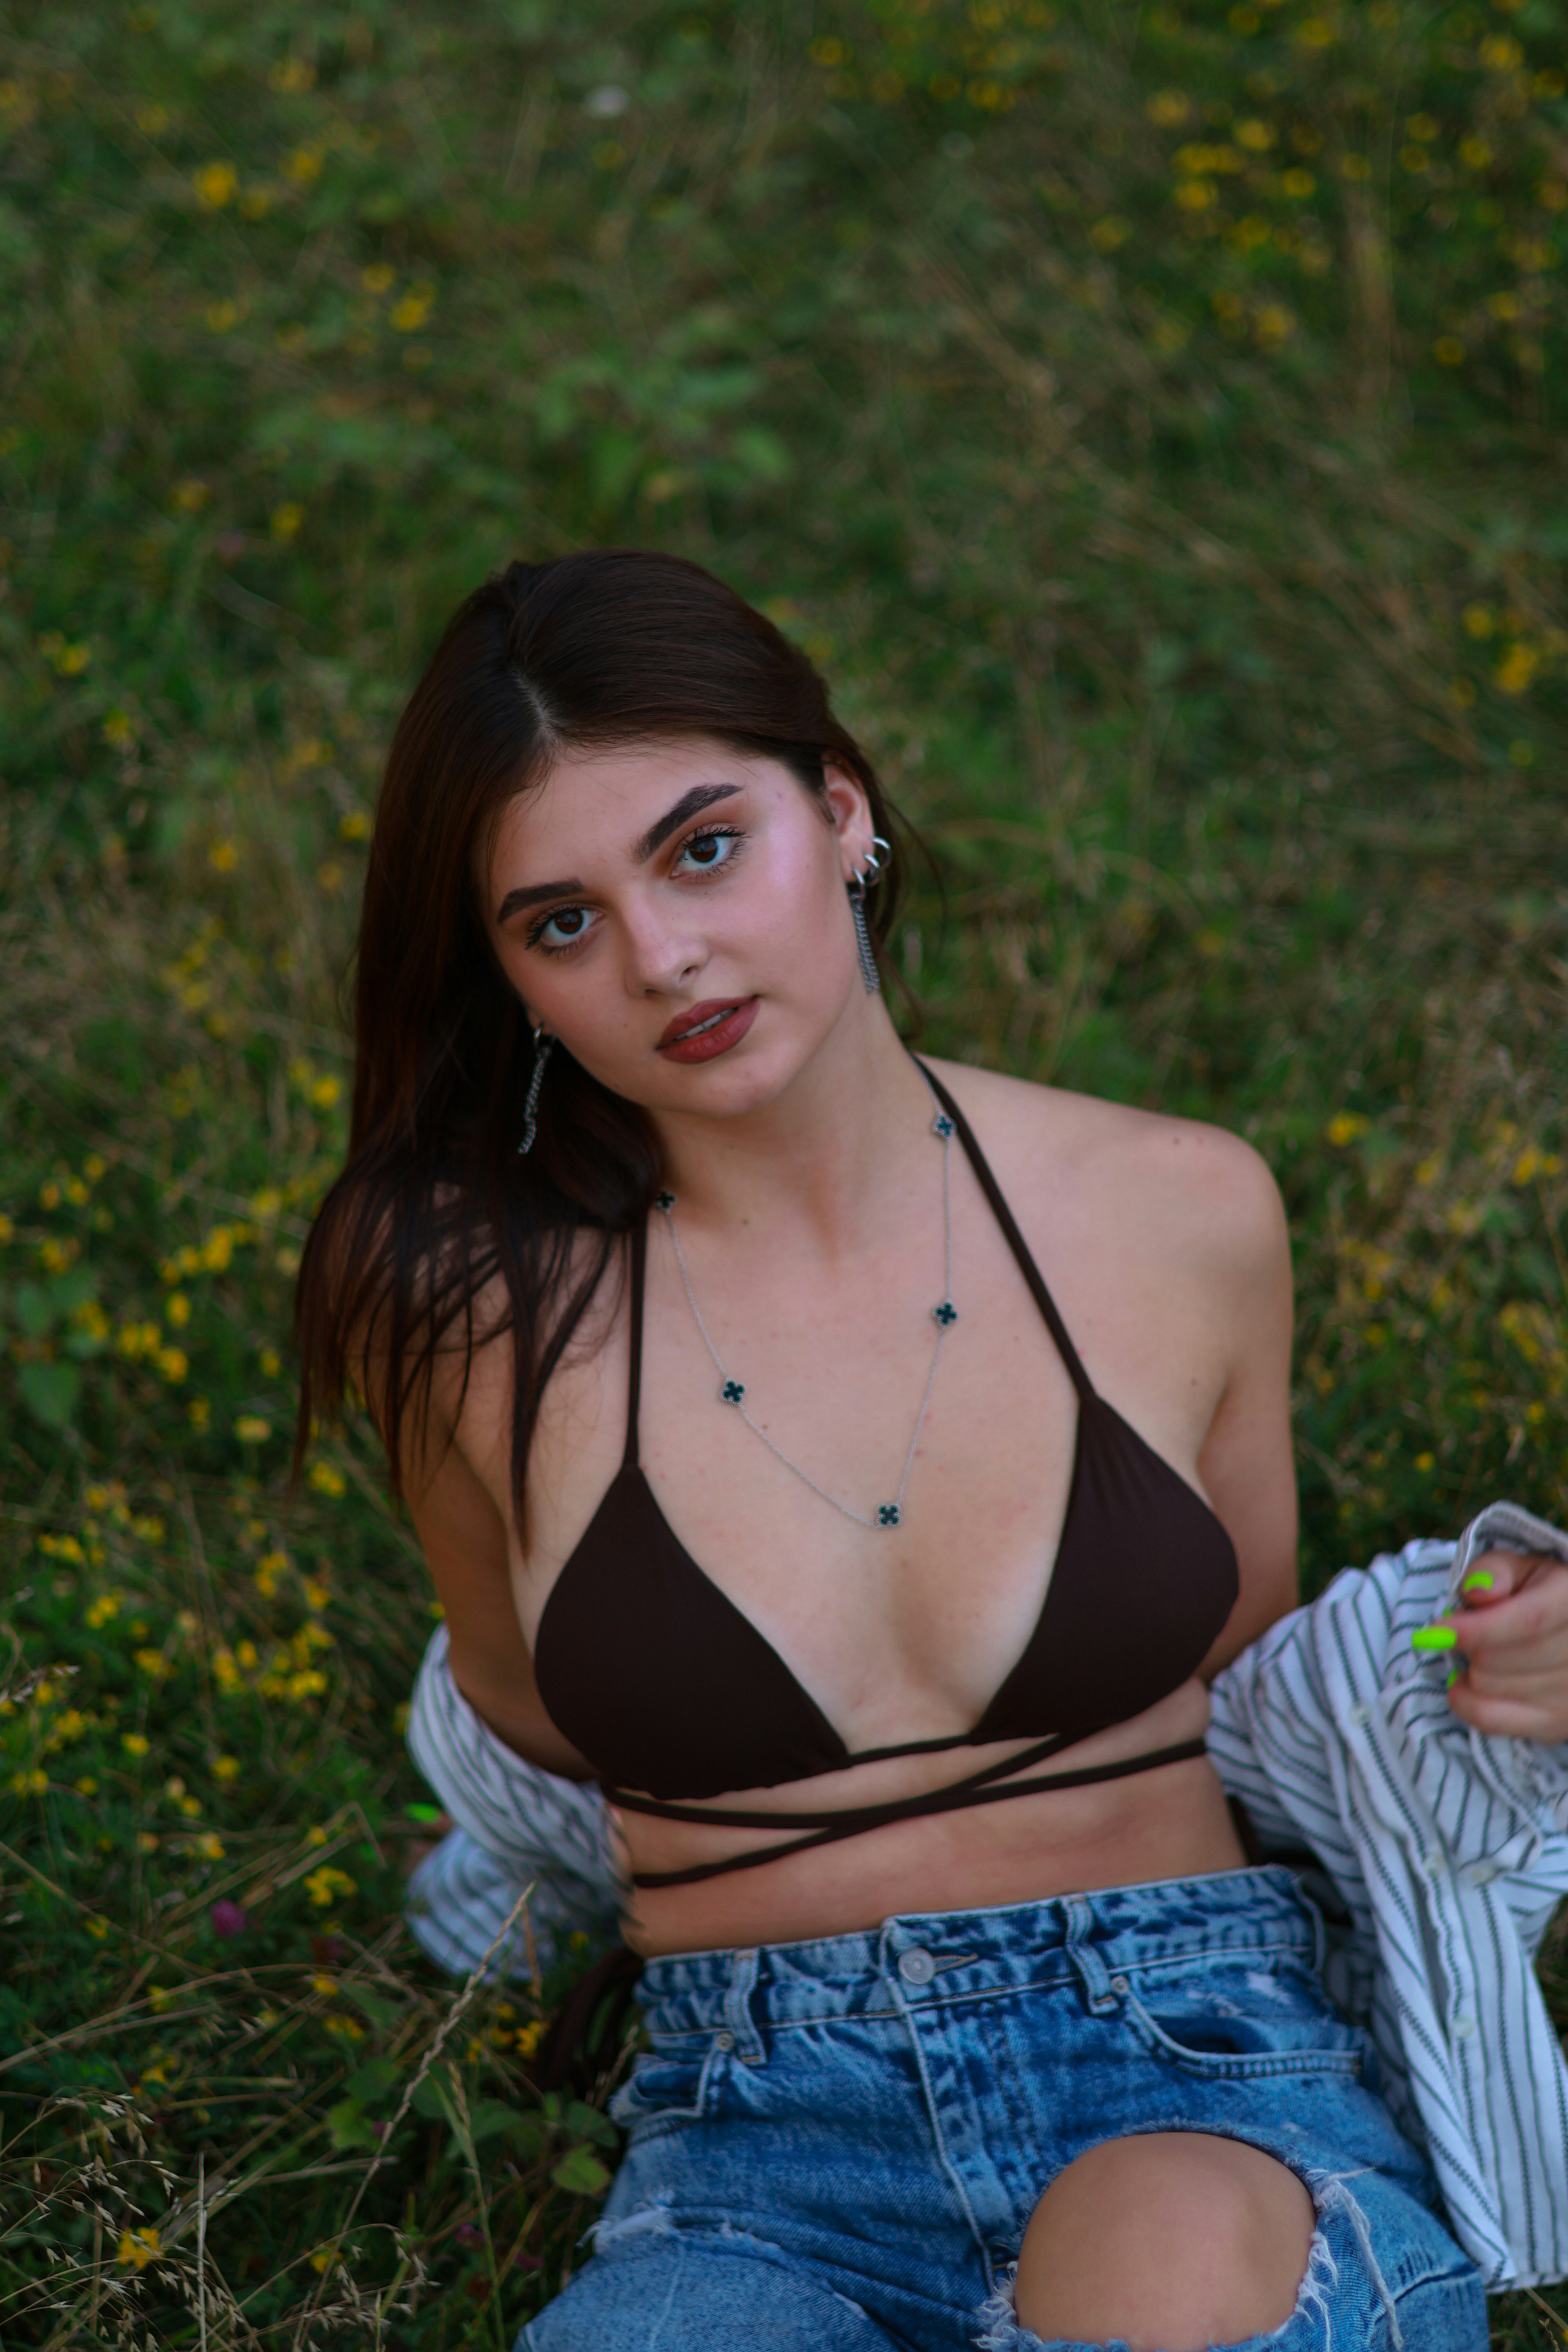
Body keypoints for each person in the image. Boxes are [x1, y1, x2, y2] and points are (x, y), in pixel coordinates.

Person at [296, 549, 1568, 2352]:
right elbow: (523, 1703)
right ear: (508, 977)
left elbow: (1260, 1666)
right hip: (752, 2154)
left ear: (842, 810)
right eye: (558, 920)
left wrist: (1483, 1638)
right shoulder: (466, 1313)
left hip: (1194, 2083)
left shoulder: (1177, 1207)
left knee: (1161, 2275)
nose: (662, 956)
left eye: (703, 846)